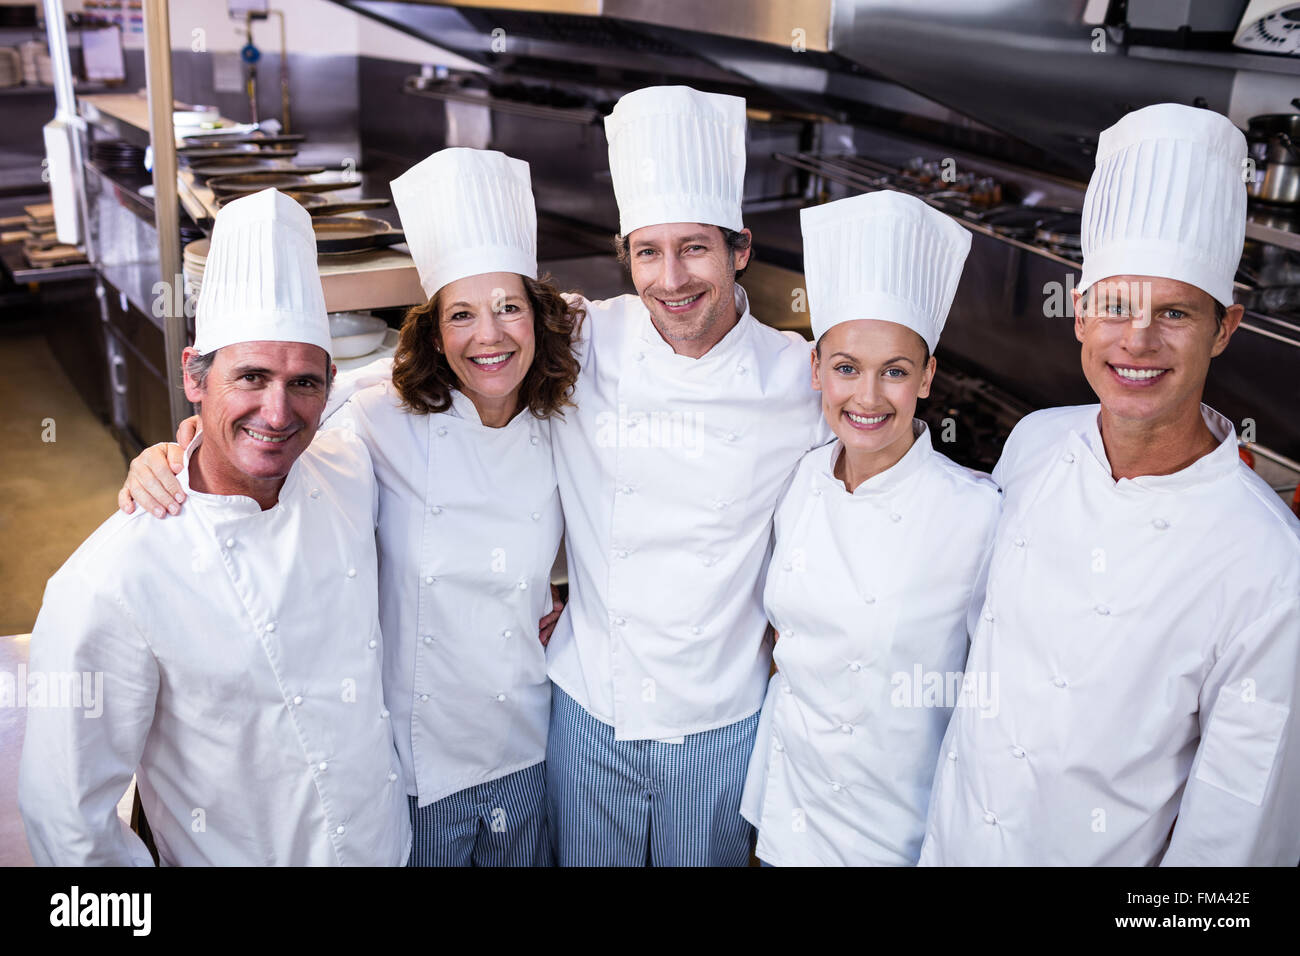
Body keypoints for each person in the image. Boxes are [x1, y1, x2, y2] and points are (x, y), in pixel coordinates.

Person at [118, 149, 582, 866]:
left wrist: (565, 598)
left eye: (509, 308)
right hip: (413, 771)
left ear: (538, 315)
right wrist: (172, 449)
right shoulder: (377, 413)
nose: (488, 336)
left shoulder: (566, 415)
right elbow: (262, 427)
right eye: (461, 313)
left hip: (526, 745)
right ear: (433, 329)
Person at [918, 103, 1300, 866]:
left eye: (1177, 314)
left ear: (1226, 327)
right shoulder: (1035, 443)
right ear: (1081, 314)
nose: (1139, 339)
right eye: (1116, 306)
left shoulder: (1270, 564)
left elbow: (1236, 825)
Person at [19, 188, 411, 865]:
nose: (278, 411)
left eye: (304, 383)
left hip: (388, 849)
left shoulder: (345, 466)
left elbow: (407, 375)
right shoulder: (112, 579)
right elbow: (69, 825)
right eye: (250, 376)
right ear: (194, 378)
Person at [540, 85, 827, 866]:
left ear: (739, 249)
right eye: (647, 251)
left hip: (722, 722)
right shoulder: (579, 338)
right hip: (588, 708)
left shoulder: (800, 379)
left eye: (695, 248)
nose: (671, 279)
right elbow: (428, 385)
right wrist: (188, 443)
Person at [740, 190, 999, 866]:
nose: (867, 397)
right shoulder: (798, 482)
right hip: (784, 823)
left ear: (928, 378)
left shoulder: (978, 514)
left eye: (895, 372)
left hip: (897, 836)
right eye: (847, 368)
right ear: (817, 369)